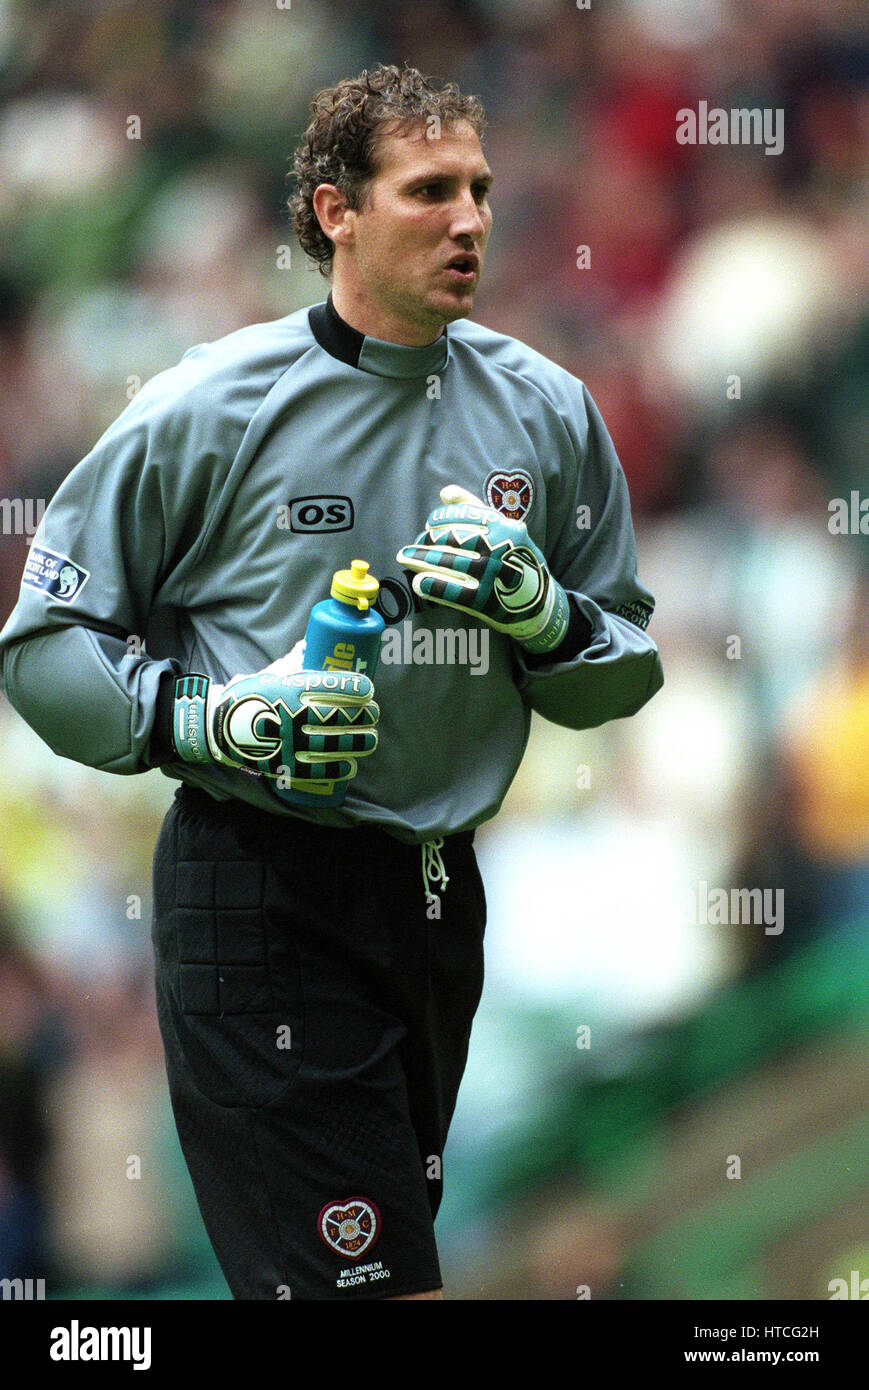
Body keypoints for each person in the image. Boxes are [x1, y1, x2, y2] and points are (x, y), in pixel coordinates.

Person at [0, 64, 663, 1300]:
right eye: (427, 191)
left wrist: (545, 614)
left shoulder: (548, 412)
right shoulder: (205, 406)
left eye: (477, 189)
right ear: (333, 212)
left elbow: (621, 670)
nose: (468, 218)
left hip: (437, 903)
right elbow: (43, 647)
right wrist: (213, 715)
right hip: (261, 892)